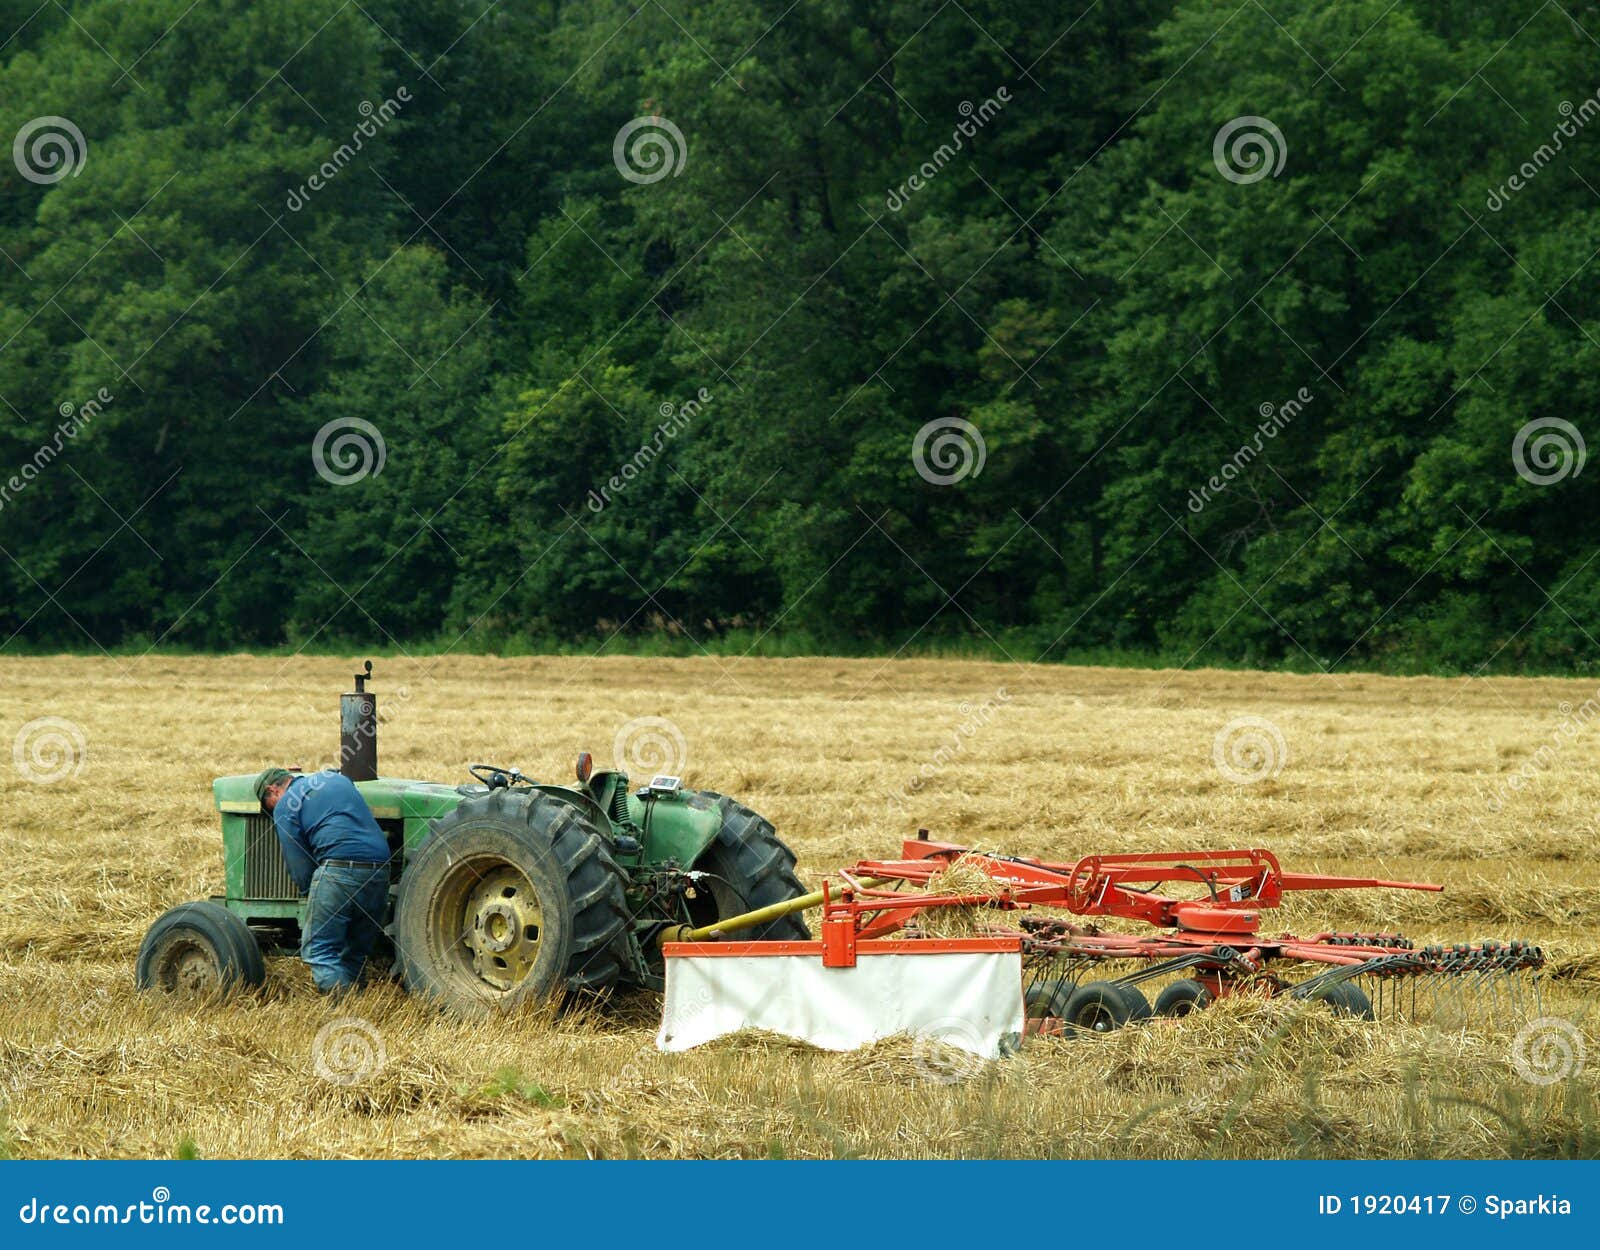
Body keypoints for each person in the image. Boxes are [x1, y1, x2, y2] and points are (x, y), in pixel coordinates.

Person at [254, 767, 391, 993]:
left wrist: (310, 895)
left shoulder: (286, 803)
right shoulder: (337, 779)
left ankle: (344, 1007)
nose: (272, 812)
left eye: (268, 806)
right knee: (355, 951)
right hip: (380, 870)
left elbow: (298, 862)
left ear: (273, 790)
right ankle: (358, 1000)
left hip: (339, 869)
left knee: (318, 949)